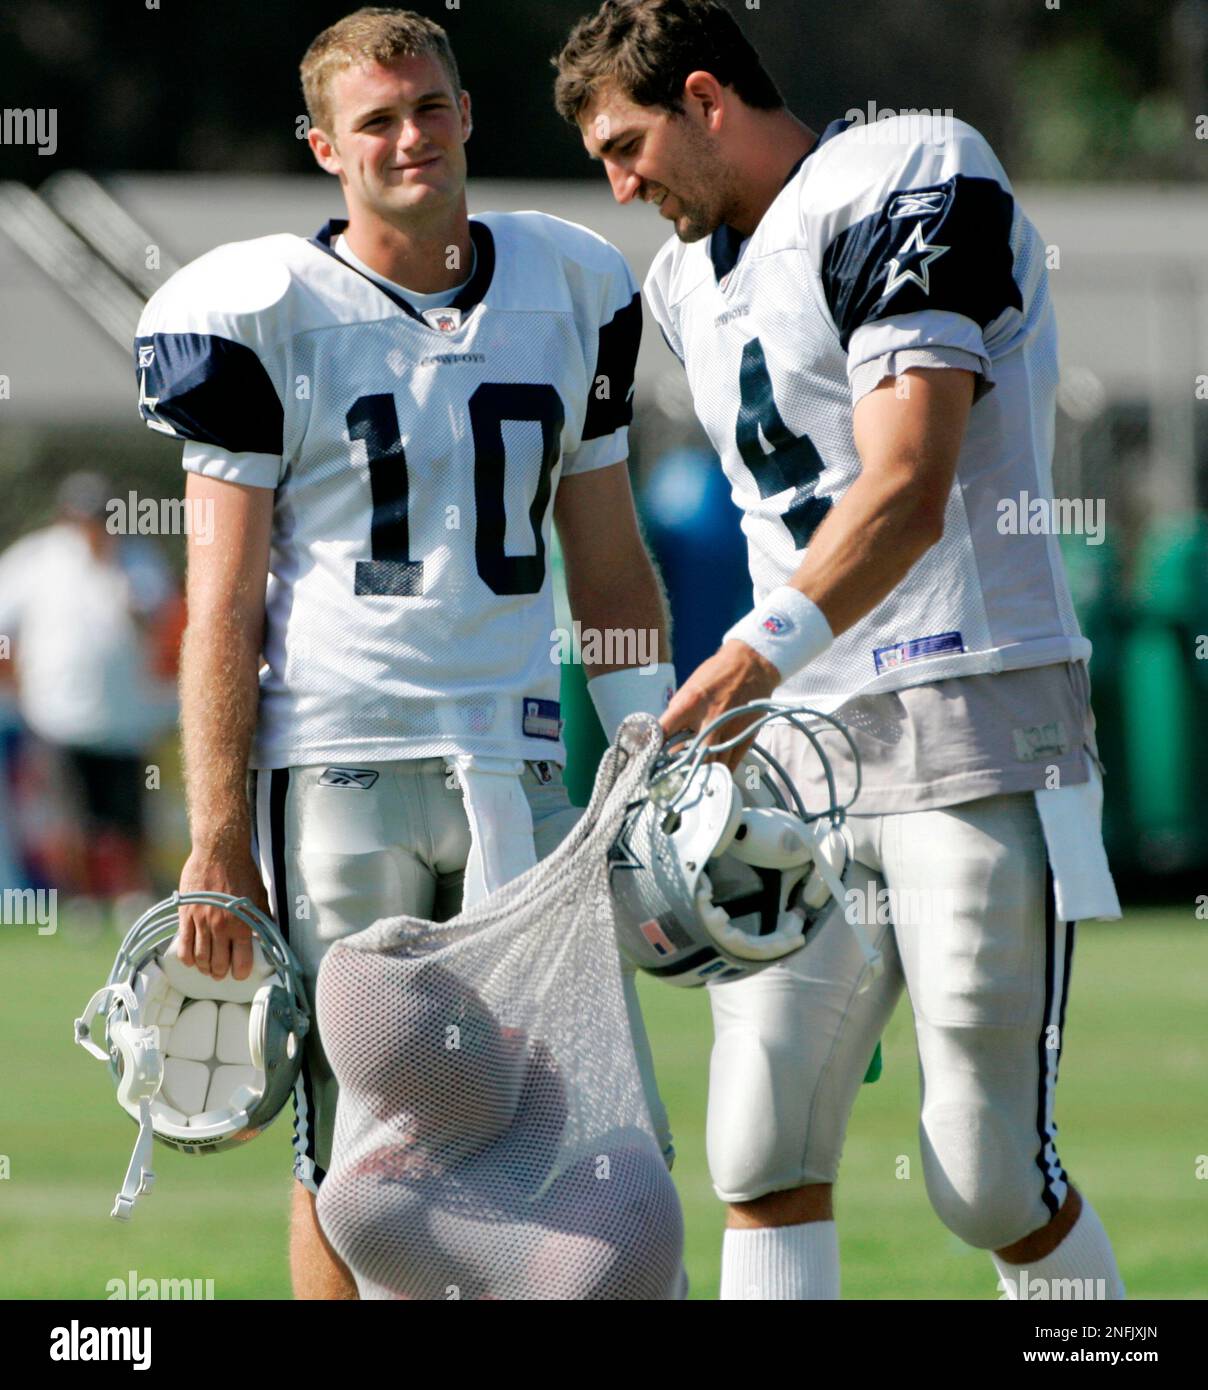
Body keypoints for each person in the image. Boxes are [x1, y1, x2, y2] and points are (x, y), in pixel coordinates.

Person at [556, 0, 1124, 1300]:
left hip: (967, 710)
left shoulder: (907, 171)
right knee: (757, 1143)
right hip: (797, 760)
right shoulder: (680, 285)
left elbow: (910, 482)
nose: (621, 181)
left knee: (986, 1170)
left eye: (627, 142)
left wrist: (748, 660)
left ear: (706, 97)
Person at [135, 7, 676, 1300]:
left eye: (429, 106)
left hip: (522, 760)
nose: (410, 136)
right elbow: (224, 601)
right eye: (375, 119)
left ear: (469, 111)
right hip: (334, 769)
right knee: (353, 1145)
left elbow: (607, 562)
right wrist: (216, 838)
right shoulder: (260, 306)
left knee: (584, 1128)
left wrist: (656, 754)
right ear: (326, 146)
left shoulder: (573, 282)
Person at [0, 471, 176, 906]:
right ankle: (80, 900)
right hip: (56, 716)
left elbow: (162, 627)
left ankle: (130, 896)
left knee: (128, 815)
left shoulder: (137, 559)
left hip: (125, 719)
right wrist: (16, 683)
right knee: (69, 814)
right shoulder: (36, 559)